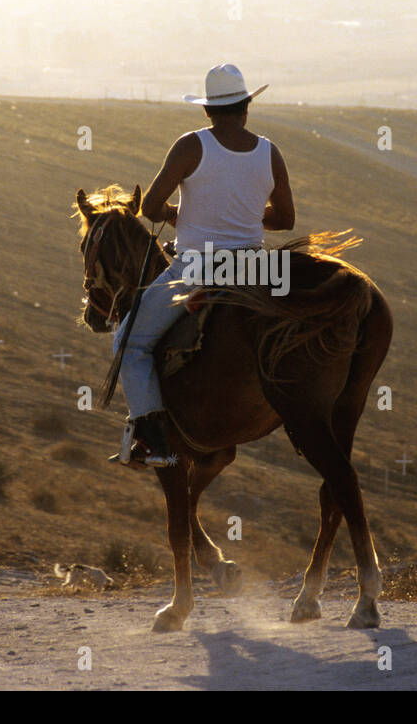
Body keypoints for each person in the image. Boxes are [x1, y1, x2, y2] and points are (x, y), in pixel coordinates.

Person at [116, 63, 295, 466]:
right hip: (255, 269)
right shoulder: (270, 152)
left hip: (196, 268)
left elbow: (149, 207)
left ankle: (153, 441)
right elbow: (285, 220)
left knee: (129, 342)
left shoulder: (190, 146)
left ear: (207, 111)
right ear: (246, 107)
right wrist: (247, 216)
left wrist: (182, 215)